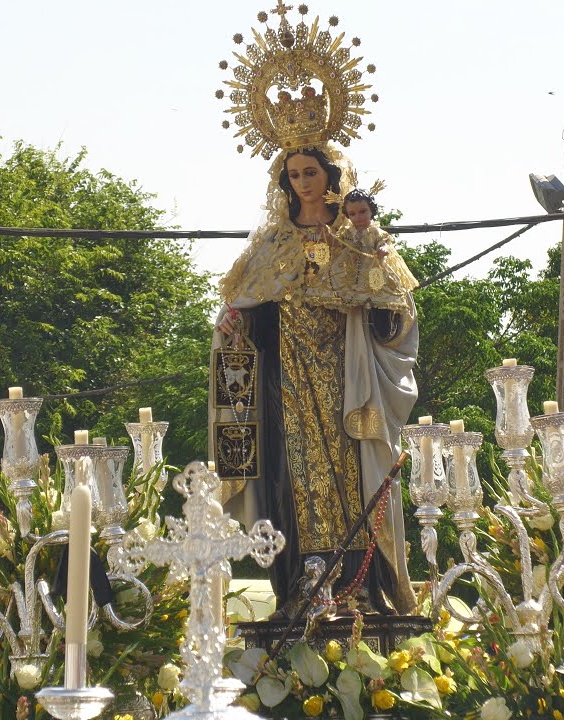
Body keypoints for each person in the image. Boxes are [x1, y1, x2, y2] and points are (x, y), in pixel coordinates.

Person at [211, 144, 418, 617]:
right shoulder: (271, 244)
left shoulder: (359, 238)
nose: (303, 183)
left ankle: (359, 588)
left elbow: (397, 311)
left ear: (331, 176)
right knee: (290, 479)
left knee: (354, 478)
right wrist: (234, 325)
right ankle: (299, 589)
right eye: (294, 175)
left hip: (348, 380)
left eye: (311, 172)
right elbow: (245, 309)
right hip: (284, 384)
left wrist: (377, 285)